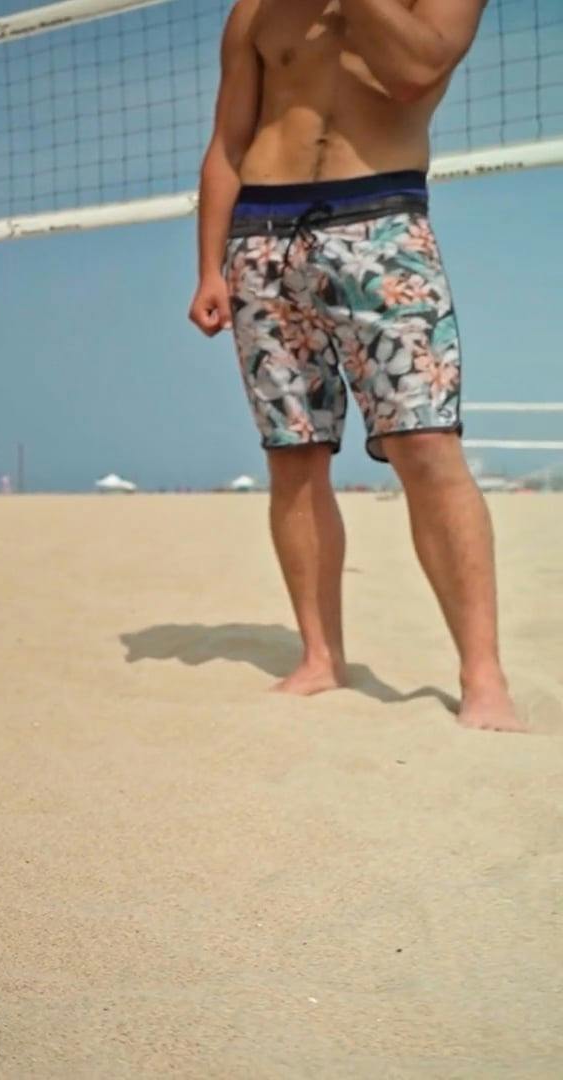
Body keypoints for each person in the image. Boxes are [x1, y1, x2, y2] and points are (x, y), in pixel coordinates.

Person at [188, 0, 520, 730]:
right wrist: (209, 266)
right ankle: (320, 657)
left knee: (426, 444)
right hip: (262, 239)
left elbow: (416, 71)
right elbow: (228, 142)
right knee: (293, 453)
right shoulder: (255, 9)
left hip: (383, 228)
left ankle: (483, 676)